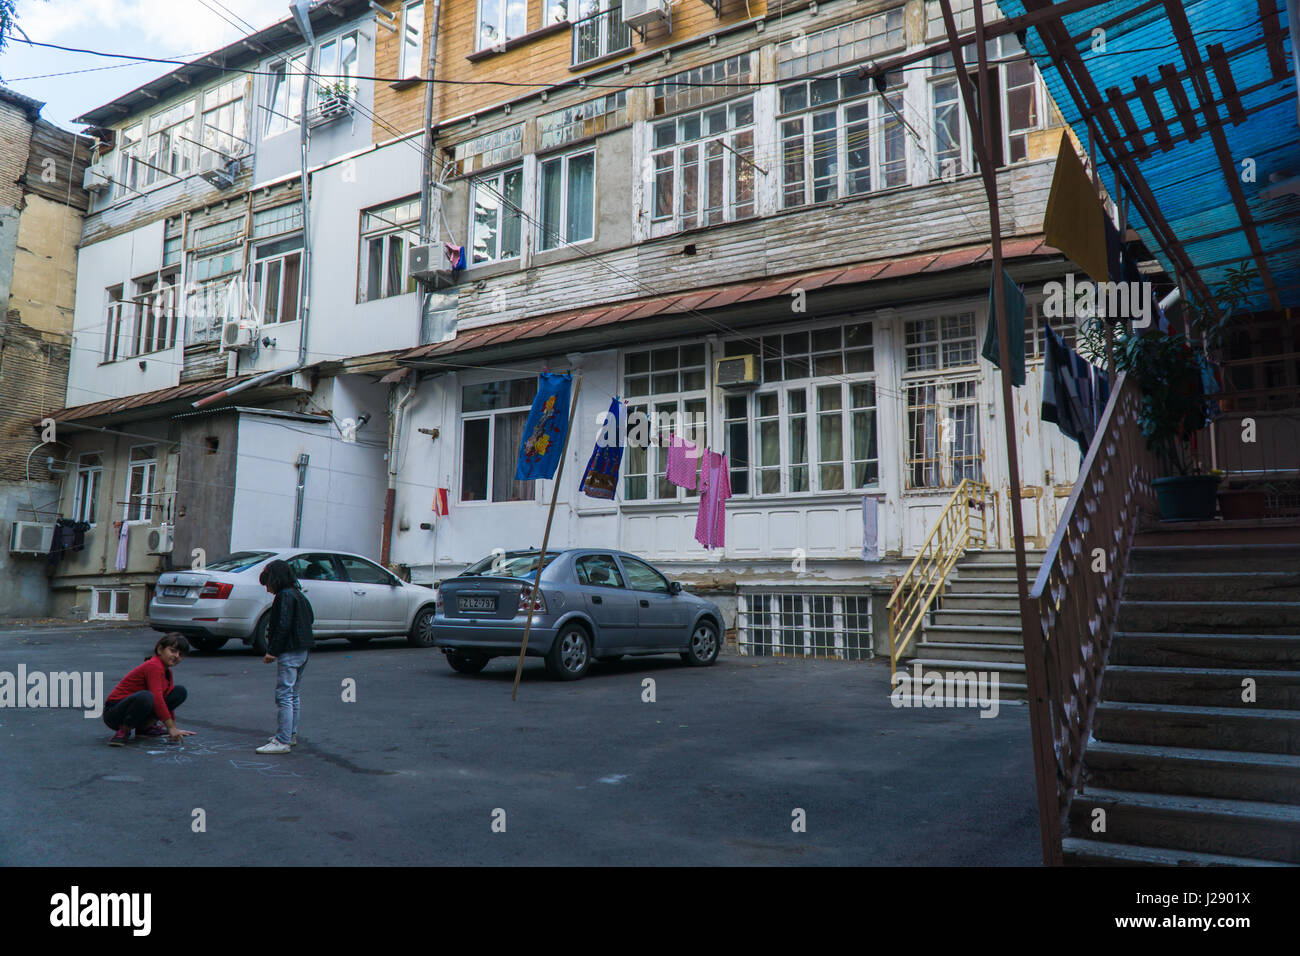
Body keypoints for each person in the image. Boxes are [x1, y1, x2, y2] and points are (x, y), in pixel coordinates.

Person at [256, 559, 314, 754]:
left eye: (268, 584)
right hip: (303, 649)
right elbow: (311, 618)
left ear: (275, 580)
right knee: (293, 694)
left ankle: (282, 740)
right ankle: (290, 734)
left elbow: (282, 625)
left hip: (290, 650)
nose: (268, 589)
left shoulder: (284, 597)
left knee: (284, 696)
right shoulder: (298, 594)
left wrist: (272, 650)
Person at [103, 633, 196, 746]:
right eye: (172, 651)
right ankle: (123, 731)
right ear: (160, 649)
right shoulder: (153, 666)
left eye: (180, 654)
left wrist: (174, 728)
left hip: (136, 711)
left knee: (179, 692)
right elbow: (157, 698)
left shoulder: (167, 671)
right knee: (146, 696)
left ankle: (145, 728)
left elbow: (166, 700)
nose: (176, 656)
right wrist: (170, 727)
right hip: (114, 713)